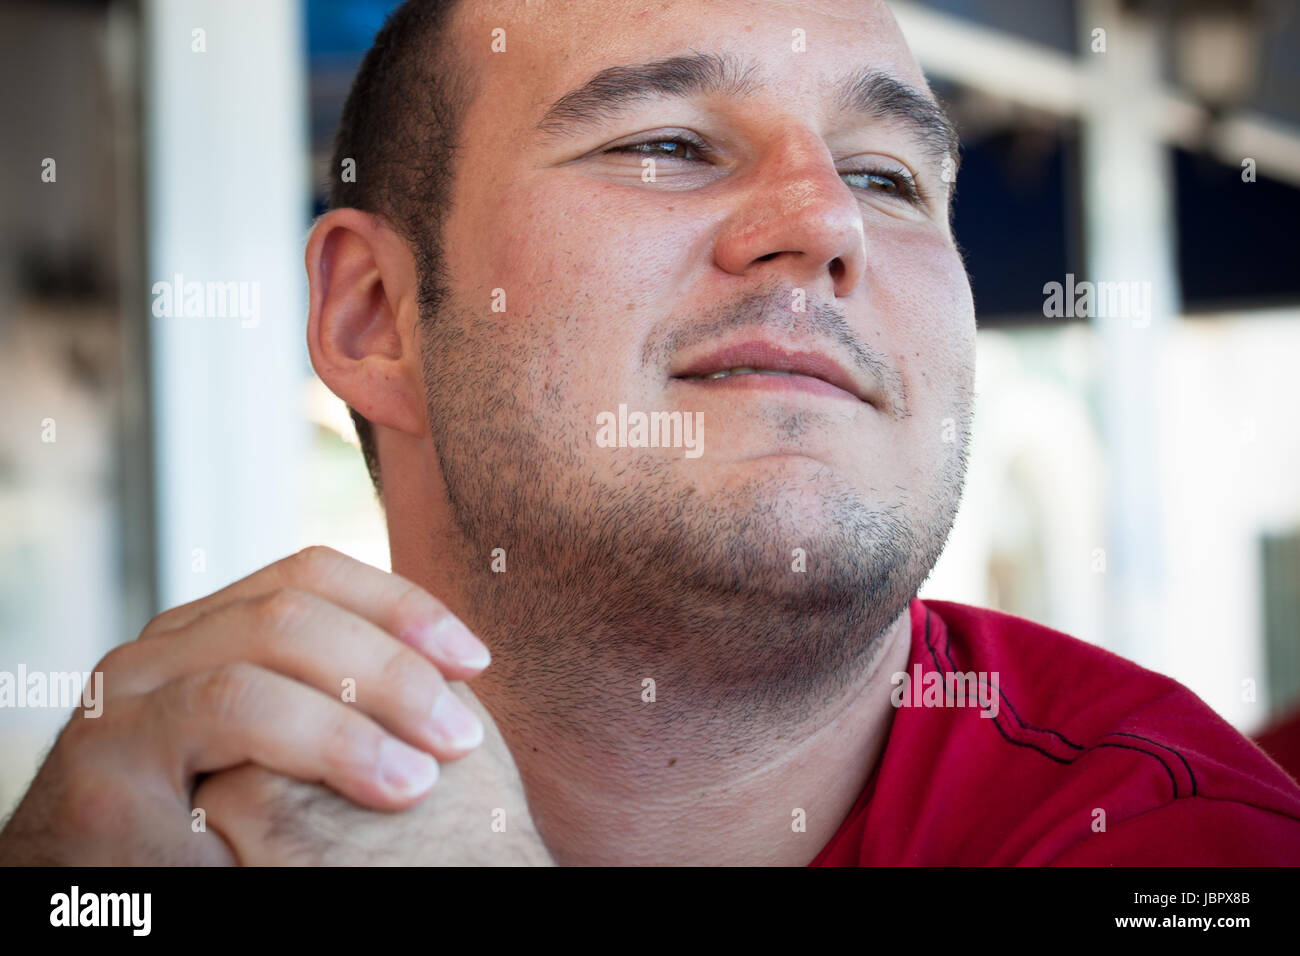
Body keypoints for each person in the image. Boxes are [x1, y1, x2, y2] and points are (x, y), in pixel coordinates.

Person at [3, 0, 1298, 866]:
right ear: (377, 314)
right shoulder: (145, 822)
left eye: (891, 179)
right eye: (670, 144)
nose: (826, 223)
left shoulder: (1174, 845)